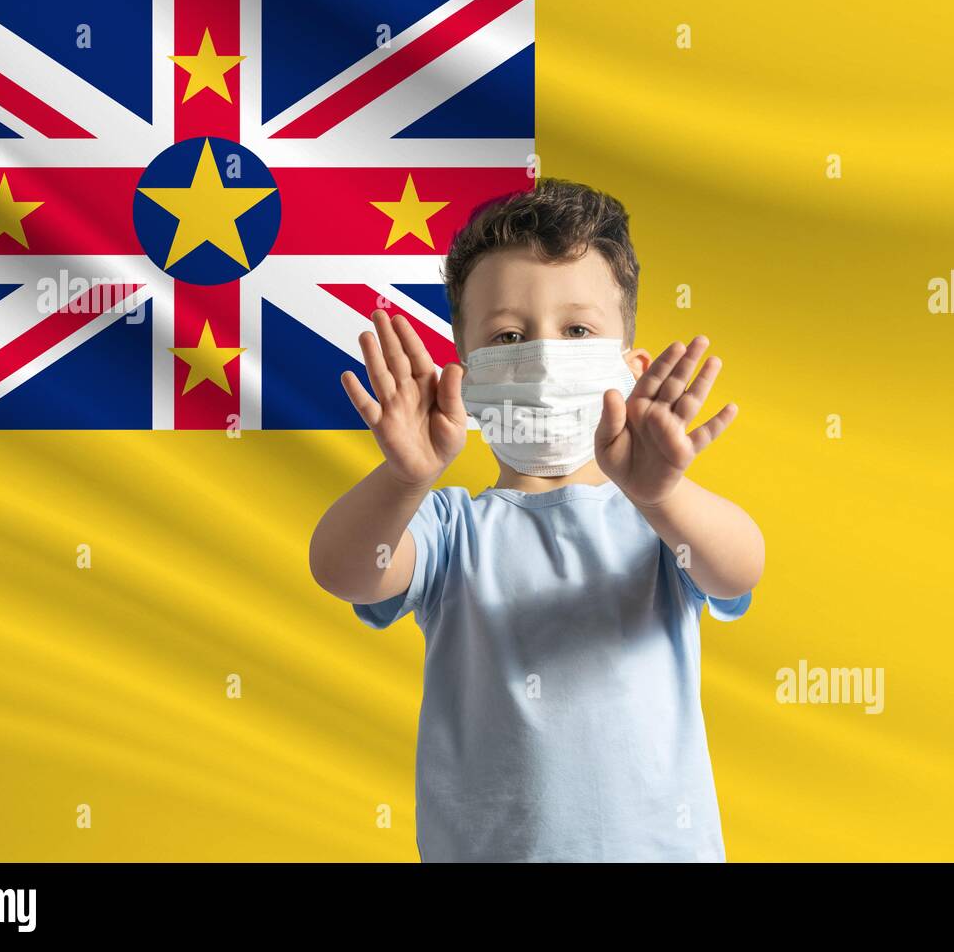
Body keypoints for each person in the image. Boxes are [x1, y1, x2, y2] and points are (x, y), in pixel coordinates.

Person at [309, 178, 765, 861]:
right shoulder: (449, 530)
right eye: (509, 335)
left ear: (631, 369)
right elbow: (343, 570)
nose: (546, 356)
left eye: (577, 330)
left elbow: (739, 569)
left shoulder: (660, 524)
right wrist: (406, 477)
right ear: (465, 378)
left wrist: (661, 496)